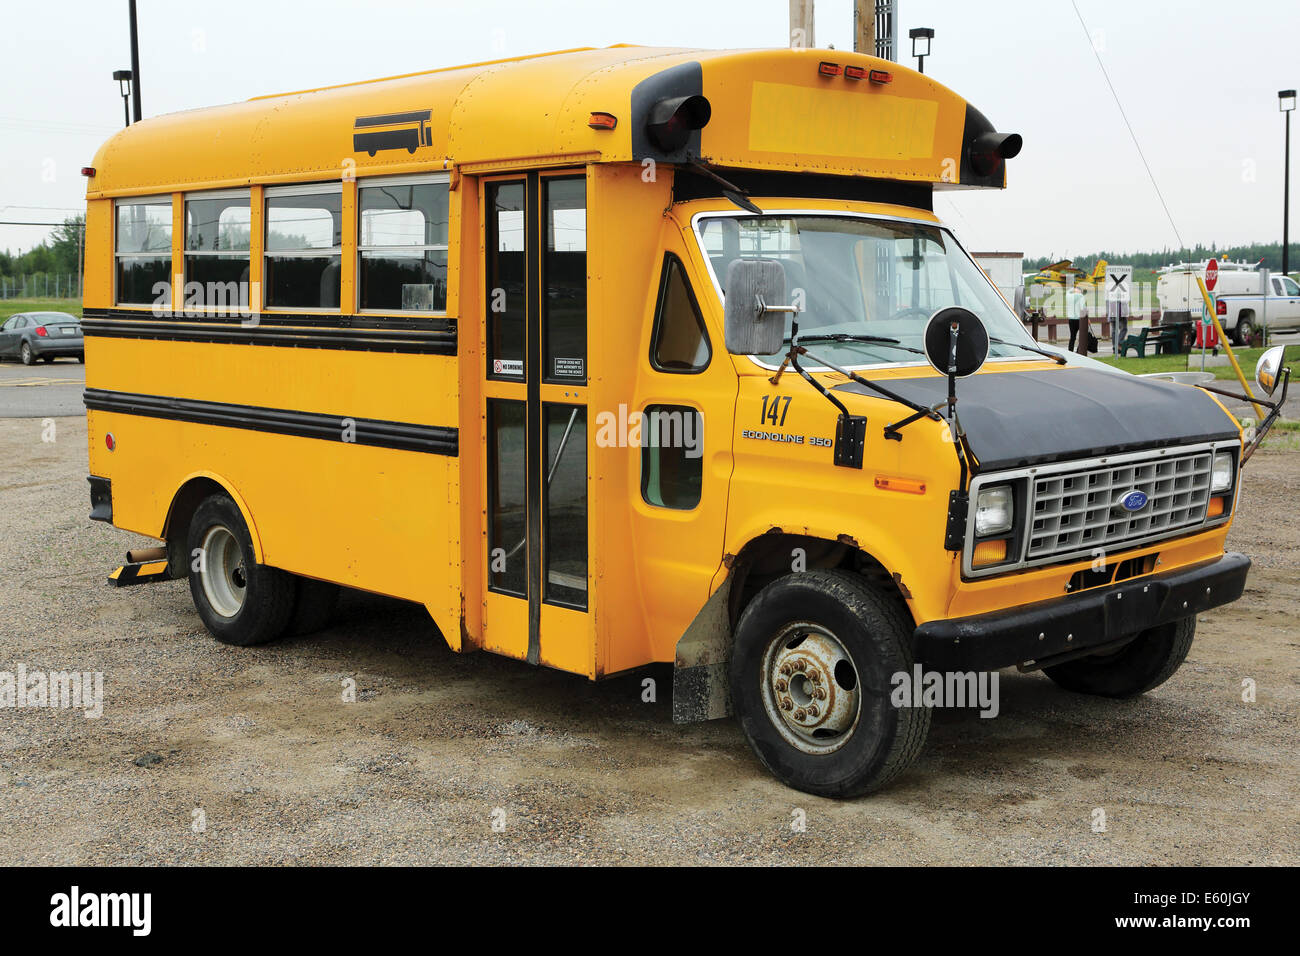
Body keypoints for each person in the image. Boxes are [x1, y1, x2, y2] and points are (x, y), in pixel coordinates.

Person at [1066, 283, 1086, 352]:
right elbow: (1083, 308)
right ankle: (1079, 350)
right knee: (1082, 336)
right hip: (1079, 319)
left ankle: (1070, 350)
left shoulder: (1068, 296)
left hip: (1071, 319)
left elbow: (1068, 291)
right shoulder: (1081, 296)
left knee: (1072, 336)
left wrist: (1073, 288)